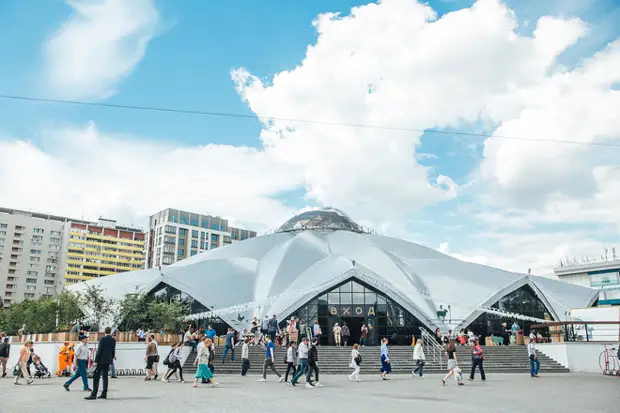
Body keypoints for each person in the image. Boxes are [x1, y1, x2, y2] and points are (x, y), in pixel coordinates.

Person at [85, 327, 115, 400]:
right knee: (105, 377)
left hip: (101, 360)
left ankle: (94, 393)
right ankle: (104, 393)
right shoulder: (113, 340)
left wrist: (96, 361)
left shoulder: (102, 339)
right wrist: (111, 359)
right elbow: (113, 350)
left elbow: (99, 351)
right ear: (110, 332)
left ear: (104, 332)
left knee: (96, 376)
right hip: (108, 360)